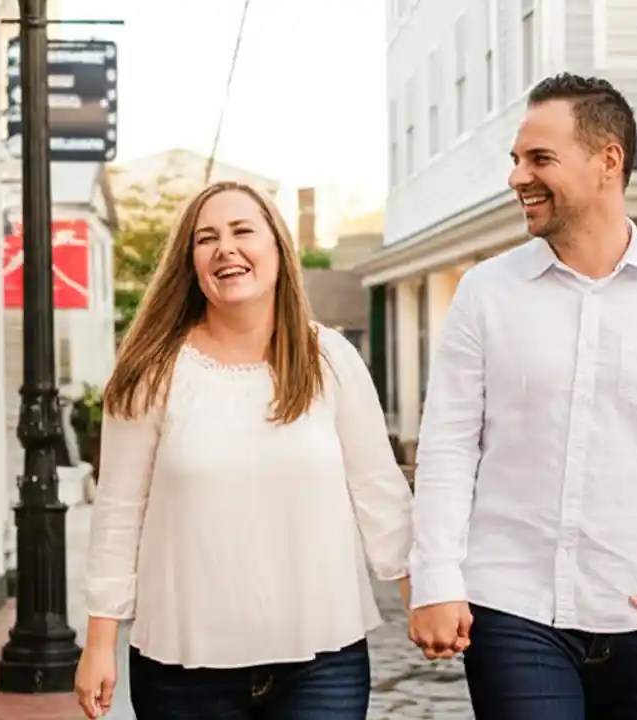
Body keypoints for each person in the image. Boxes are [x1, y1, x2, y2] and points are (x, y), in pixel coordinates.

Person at [406, 72, 637, 719]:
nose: (518, 176)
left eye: (539, 158)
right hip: (512, 605)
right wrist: (436, 579)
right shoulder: (485, 294)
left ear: (608, 161)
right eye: (516, 160)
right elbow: (448, 450)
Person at [74, 181, 413, 720]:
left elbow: (378, 489)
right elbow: (118, 511)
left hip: (322, 659)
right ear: (192, 264)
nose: (224, 248)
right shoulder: (152, 371)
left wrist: (421, 593)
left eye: (241, 231)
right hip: (184, 671)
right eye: (206, 238)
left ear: (277, 247)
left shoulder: (331, 360)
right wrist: (98, 641)